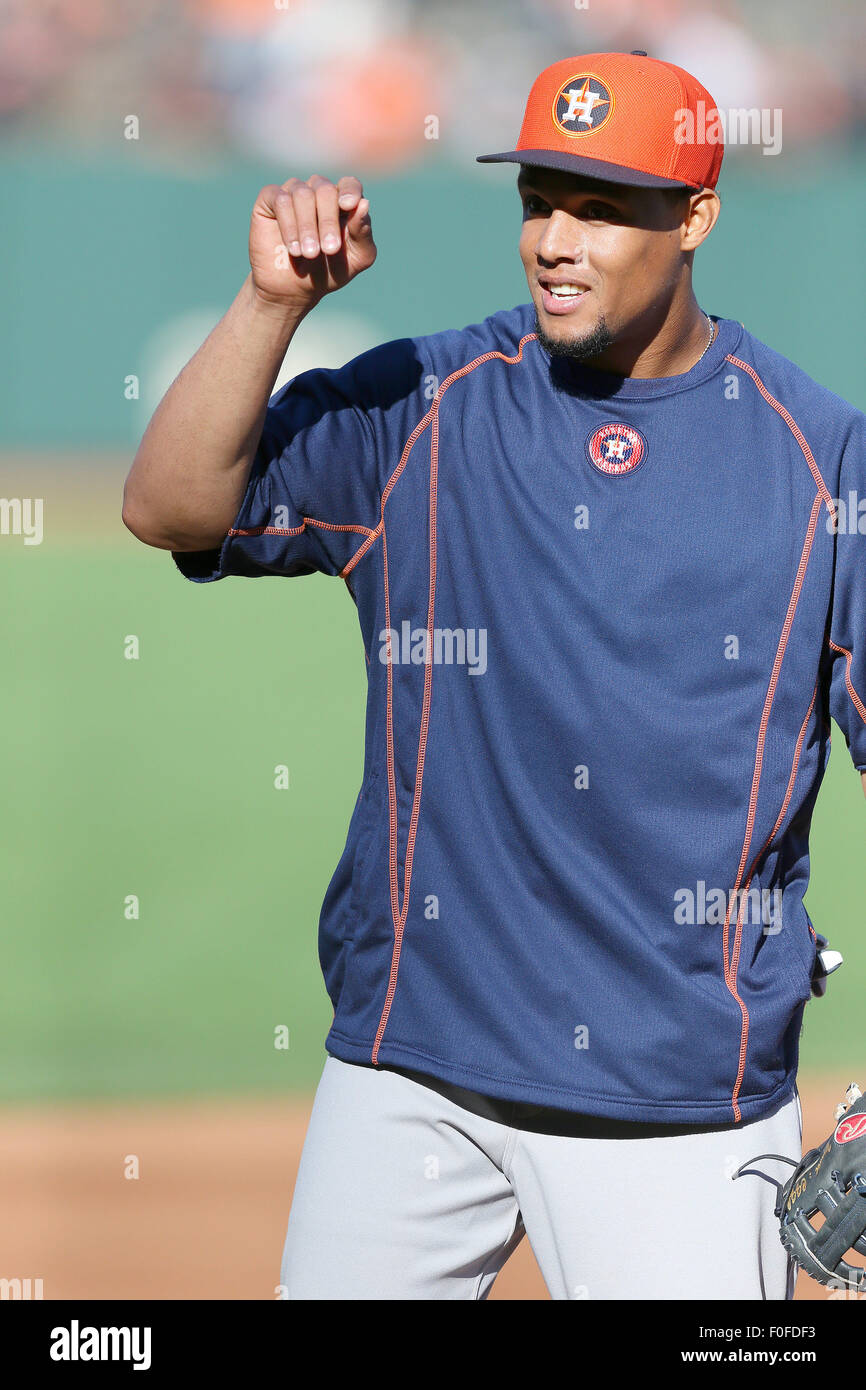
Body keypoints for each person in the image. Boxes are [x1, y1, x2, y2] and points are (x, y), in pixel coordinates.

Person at [122, 51, 866, 1300]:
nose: (554, 240)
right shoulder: (425, 404)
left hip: (680, 1109)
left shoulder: (816, 459)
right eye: (536, 198)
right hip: (407, 1076)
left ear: (693, 218)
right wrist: (270, 308)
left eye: (599, 206)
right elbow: (168, 508)